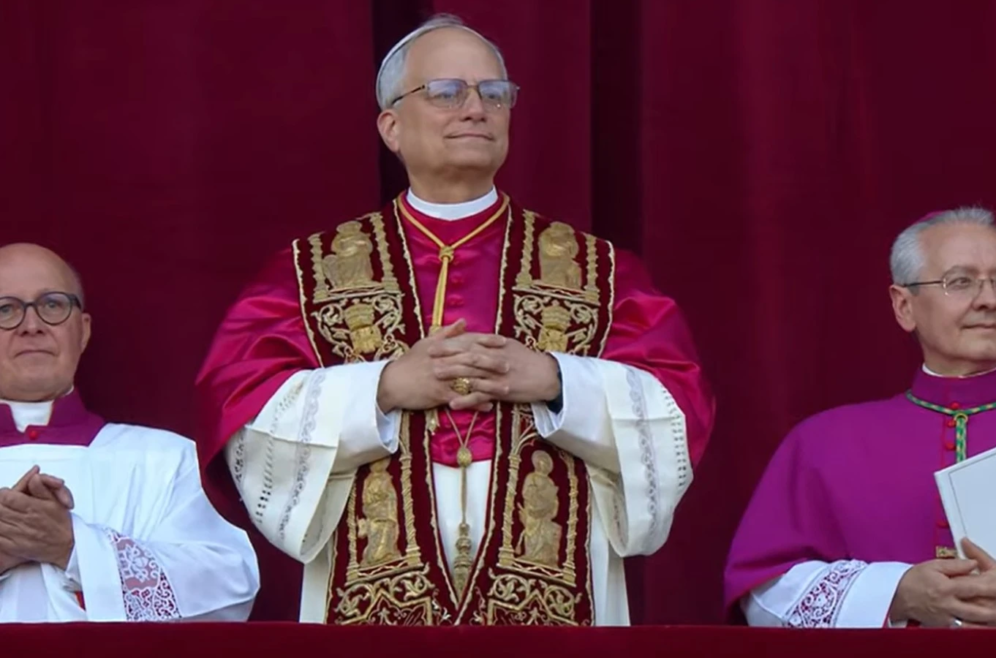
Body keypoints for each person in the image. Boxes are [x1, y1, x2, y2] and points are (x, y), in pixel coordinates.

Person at [195, 14, 714, 625]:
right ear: (391, 125)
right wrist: (384, 389)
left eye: (493, 93)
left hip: (554, 580)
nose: (476, 109)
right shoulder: (311, 273)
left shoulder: (596, 270)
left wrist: (556, 381)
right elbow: (241, 410)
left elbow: (678, 406)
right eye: (447, 92)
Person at [724, 207, 996, 631]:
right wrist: (896, 592)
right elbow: (763, 594)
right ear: (904, 306)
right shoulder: (823, 444)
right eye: (961, 282)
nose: (989, 300)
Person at [0, 243, 259, 622]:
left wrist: (75, 548)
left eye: (52, 304)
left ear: (83, 331)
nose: (32, 325)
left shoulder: (168, 460)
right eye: (5, 309)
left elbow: (229, 588)